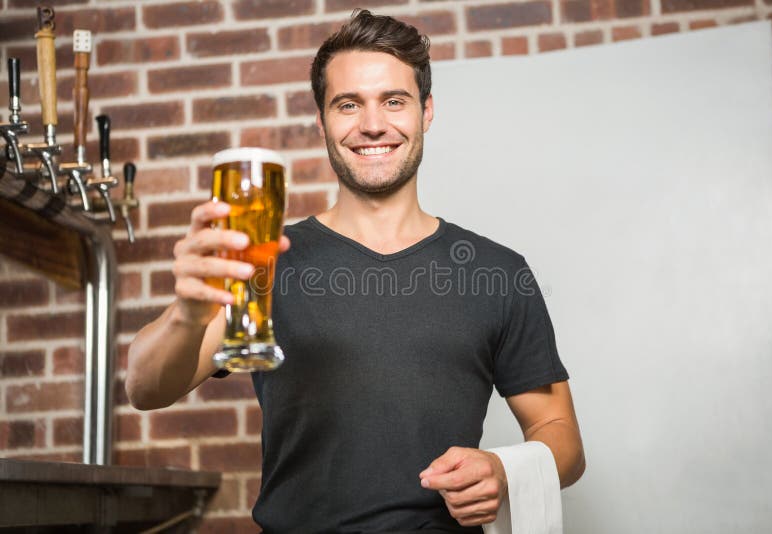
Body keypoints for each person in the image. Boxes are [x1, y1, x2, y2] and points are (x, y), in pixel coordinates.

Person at [127, 9, 585, 533]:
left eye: (394, 100)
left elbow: (561, 436)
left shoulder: (498, 272)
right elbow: (145, 388)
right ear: (322, 120)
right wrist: (188, 314)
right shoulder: (263, 260)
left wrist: (503, 471)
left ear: (427, 111)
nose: (372, 124)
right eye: (349, 104)